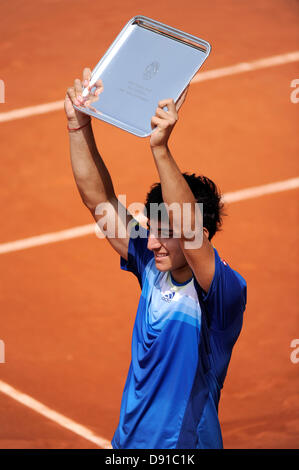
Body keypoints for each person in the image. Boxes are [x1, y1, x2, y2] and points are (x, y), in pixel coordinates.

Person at [64, 68, 247, 449]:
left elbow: (188, 227)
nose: (151, 244)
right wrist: (77, 127)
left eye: (167, 233)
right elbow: (98, 200)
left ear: (202, 234)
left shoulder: (221, 295)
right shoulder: (151, 267)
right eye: (152, 230)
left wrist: (159, 148)